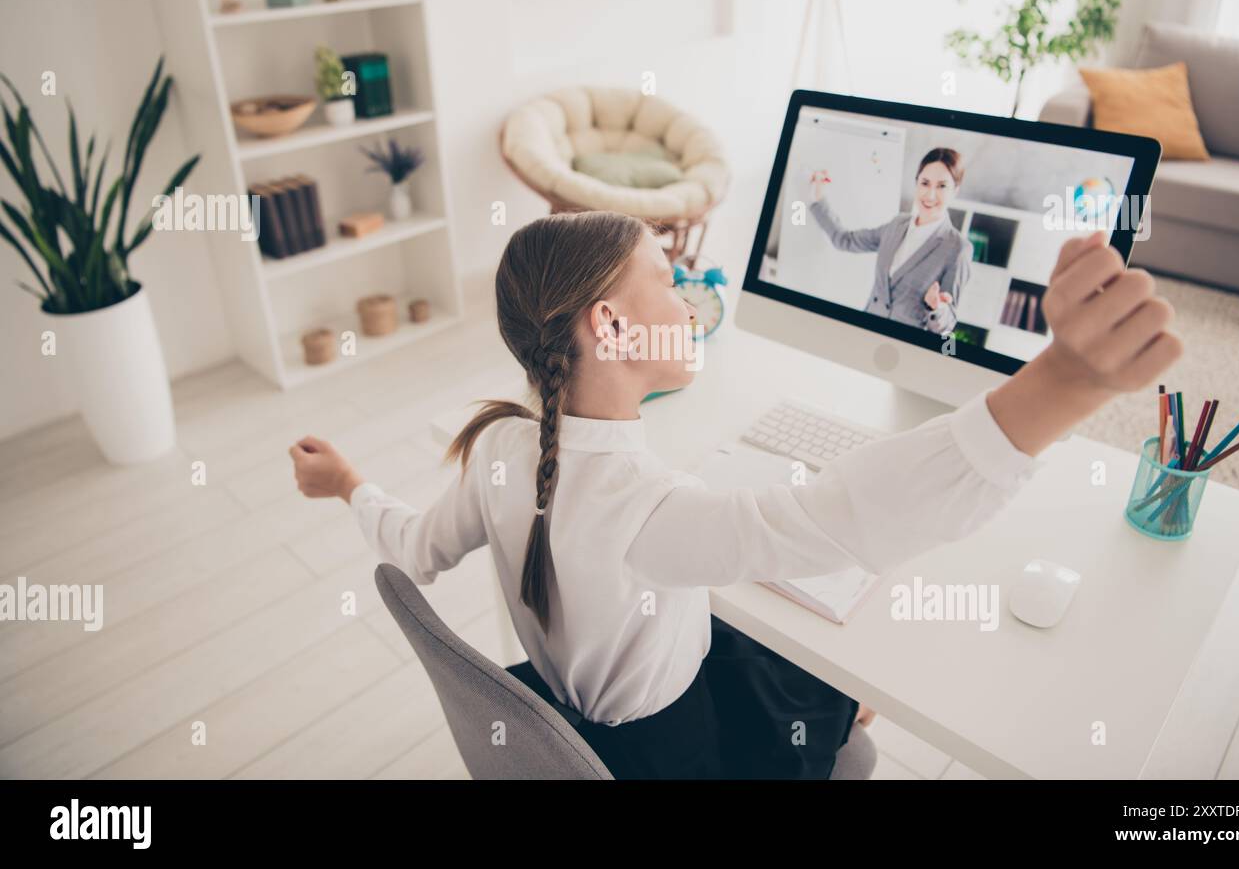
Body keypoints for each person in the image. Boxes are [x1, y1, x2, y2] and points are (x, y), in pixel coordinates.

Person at [290, 210, 1181, 779]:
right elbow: (835, 519)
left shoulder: (499, 447)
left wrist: (348, 485)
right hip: (675, 757)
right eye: (671, 284)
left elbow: (414, 547)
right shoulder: (642, 506)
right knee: (830, 682)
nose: (690, 301)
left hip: (588, 713)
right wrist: (1061, 384)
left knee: (789, 659)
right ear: (609, 325)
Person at [810, 147, 970, 334]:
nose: (930, 195)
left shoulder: (957, 248)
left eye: (942, 186)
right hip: (865, 333)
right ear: (916, 183)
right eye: (925, 183)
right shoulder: (897, 225)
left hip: (902, 350)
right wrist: (817, 197)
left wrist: (938, 308)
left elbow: (947, 325)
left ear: (955, 191)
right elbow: (844, 240)